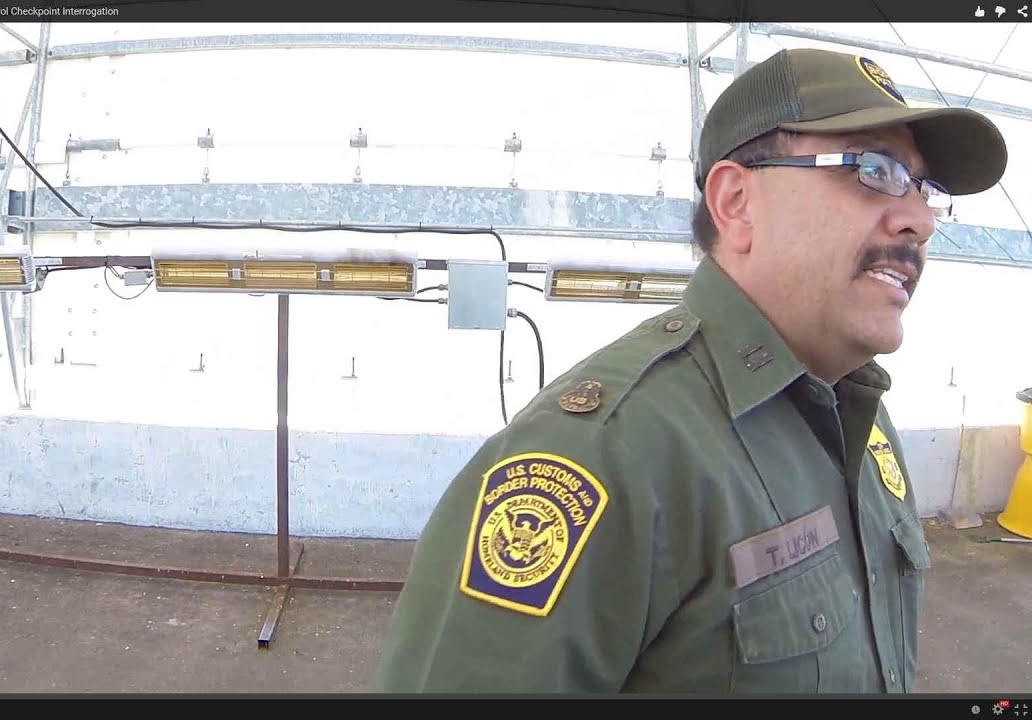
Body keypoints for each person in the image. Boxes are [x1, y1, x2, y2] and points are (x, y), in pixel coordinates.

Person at [371, 47, 1007, 693]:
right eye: (874, 169)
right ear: (737, 203)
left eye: (924, 189)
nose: (921, 221)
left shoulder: (857, 414)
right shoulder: (604, 455)